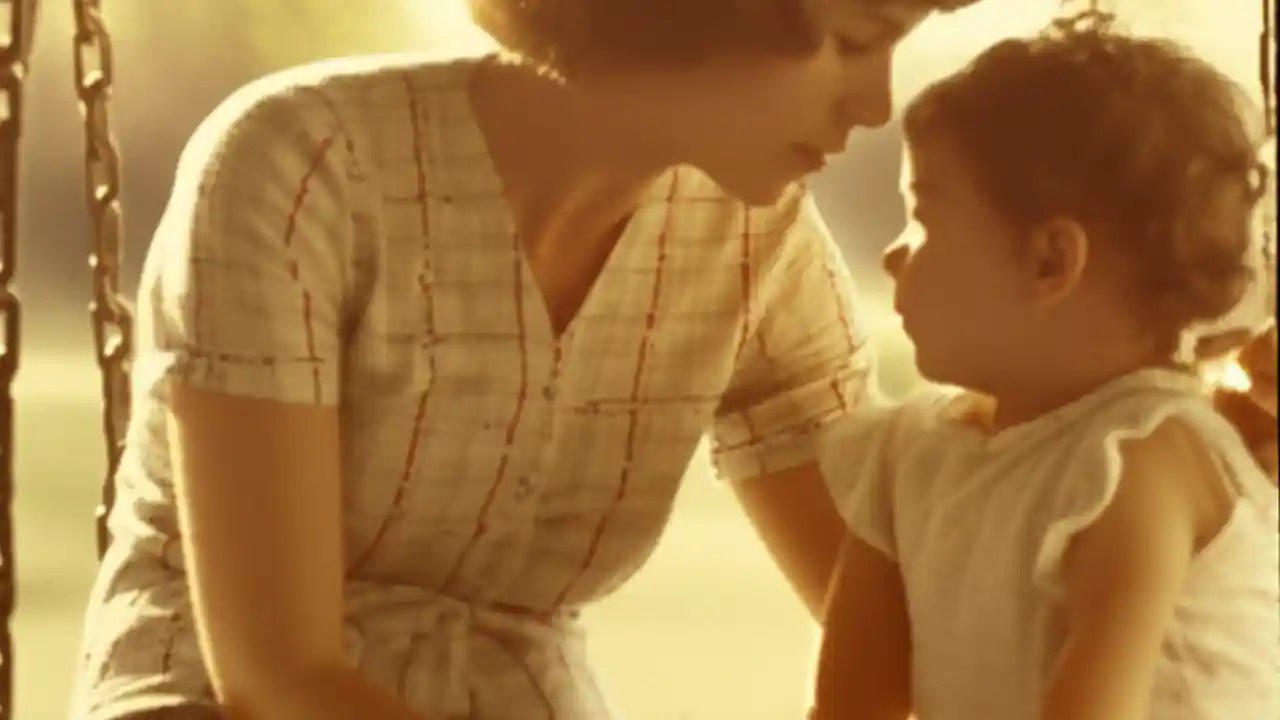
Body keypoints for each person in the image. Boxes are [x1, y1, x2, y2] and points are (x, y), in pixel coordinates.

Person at [69, 1, 980, 718]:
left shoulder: (757, 242)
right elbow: (277, 677)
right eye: (855, 41)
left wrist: (1054, 466)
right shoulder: (303, 164)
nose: (875, 106)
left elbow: (897, 625)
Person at [811, 15, 1279, 720]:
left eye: (924, 220)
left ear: (1050, 261)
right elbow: (850, 707)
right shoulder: (907, 456)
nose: (893, 256)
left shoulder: (1143, 459)